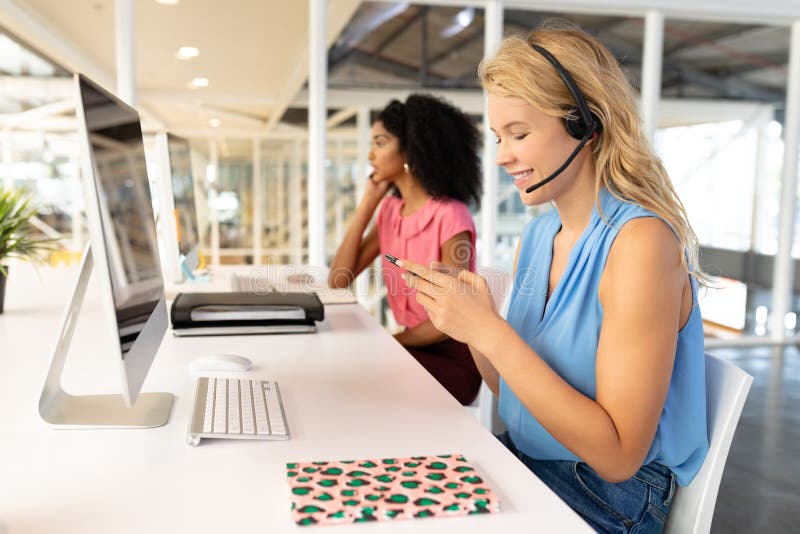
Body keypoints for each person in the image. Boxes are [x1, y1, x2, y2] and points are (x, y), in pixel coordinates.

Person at [399, 22, 709, 533]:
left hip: (610, 495)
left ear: (586, 124)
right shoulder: (538, 237)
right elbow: (518, 399)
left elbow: (617, 457)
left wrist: (490, 332)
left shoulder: (642, 245)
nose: (501, 155)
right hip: (531, 460)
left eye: (519, 133)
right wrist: (473, 331)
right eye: (499, 137)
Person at [328, 94, 484, 405]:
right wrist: (367, 205)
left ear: (410, 149)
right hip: (414, 348)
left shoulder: (450, 216)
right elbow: (338, 281)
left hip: (452, 358)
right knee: (345, 371)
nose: (371, 154)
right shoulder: (390, 211)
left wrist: (388, 343)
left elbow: (450, 318)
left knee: (353, 378)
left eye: (381, 142)